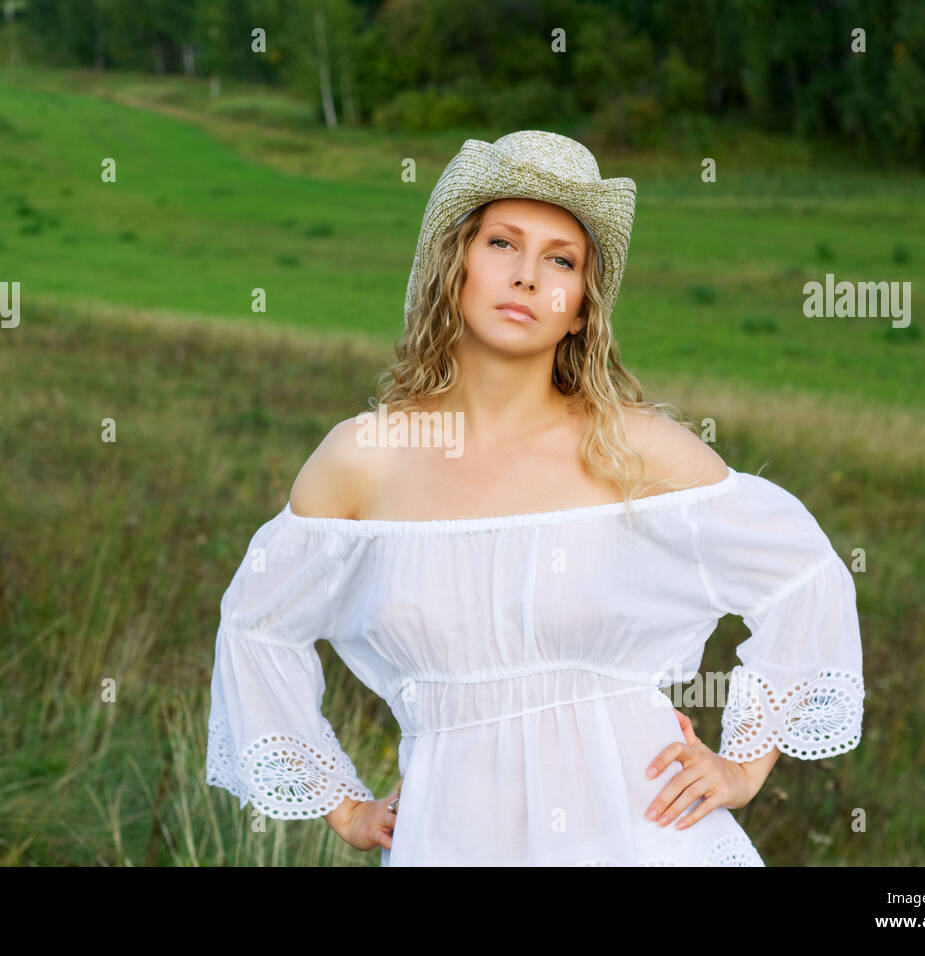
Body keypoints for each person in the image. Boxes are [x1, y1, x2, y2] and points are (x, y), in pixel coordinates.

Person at [204, 130, 864, 866]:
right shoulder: (363, 460)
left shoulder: (634, 450)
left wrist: (742, 767)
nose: (526, 276)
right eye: (502, 244)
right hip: (447, 842)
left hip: (645, 840)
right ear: (454, 267)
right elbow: (255, 627)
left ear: (579, 307)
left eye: (560, 260)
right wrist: (346, 804)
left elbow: (804, 579)